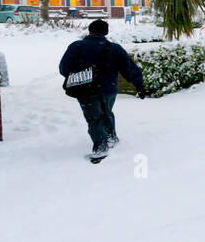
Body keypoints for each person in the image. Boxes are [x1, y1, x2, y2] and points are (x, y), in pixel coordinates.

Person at [59, 19, 148, 161]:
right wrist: (139, 85)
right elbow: (128, 68)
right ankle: (111, 137)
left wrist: (81, 74)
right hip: (109, 89)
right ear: (106, 32)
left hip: (84, 89)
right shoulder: (114, 48)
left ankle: (101, 147)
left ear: (89, 31)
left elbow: (64, 68)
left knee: (94, 118)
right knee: (107, 112)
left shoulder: (76, 47)